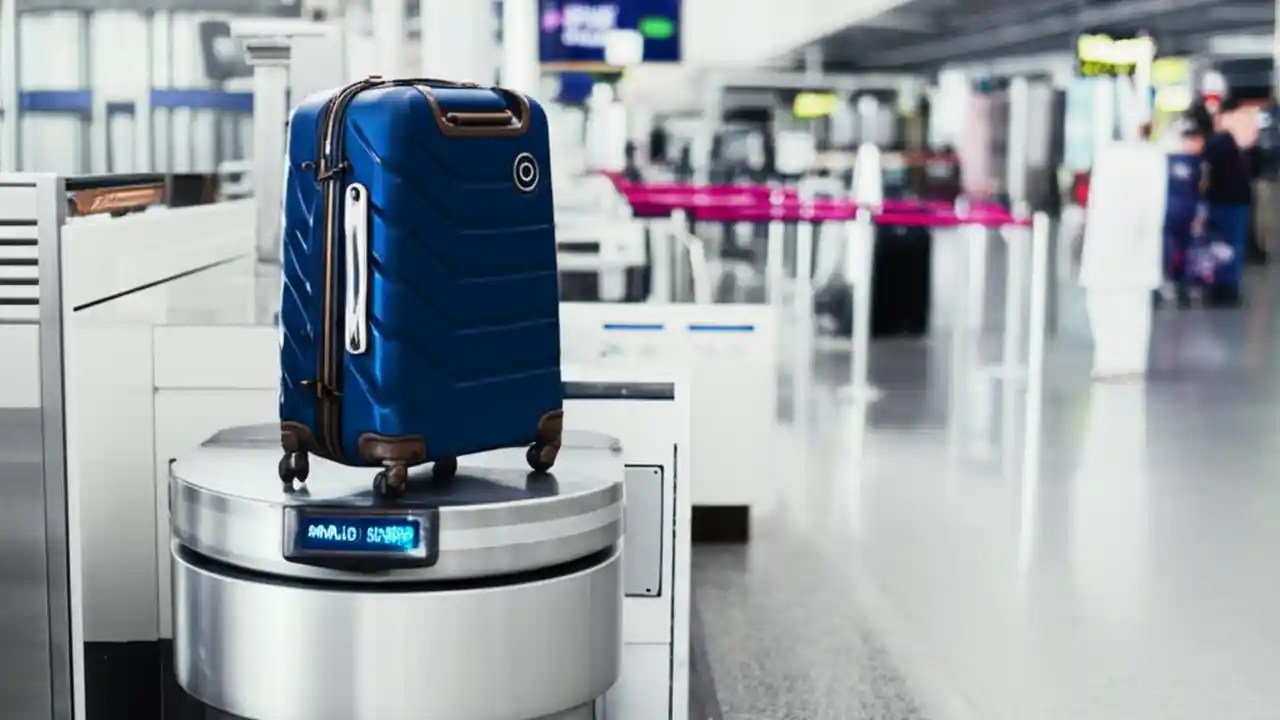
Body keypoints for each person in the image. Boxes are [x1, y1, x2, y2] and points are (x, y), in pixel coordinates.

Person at [1080, 139, 1168, 379]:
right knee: (1129, 303)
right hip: (1128, 255)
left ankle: (1114, 359)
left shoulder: (1115, 162)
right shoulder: (1149, 164)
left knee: (1115, 301)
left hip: (1115, 254)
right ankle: (1125, 360)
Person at [1202, 97, 1260, 306]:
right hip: (1232, 201)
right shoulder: (1226, 143)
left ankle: (1219, 288)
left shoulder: (1217, 142)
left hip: (1221, 200)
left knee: (1219, 246)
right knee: (1232, 246)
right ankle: (1227, 289)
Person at [1163, 123, 1206, 306]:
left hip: (1173, 211)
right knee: (1182, 249)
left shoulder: (1168, 161)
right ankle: (1181, 284)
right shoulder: (1197, 163)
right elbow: (1202, 189)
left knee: (1175, 248)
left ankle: (1174, 283)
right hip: (1183, 211)